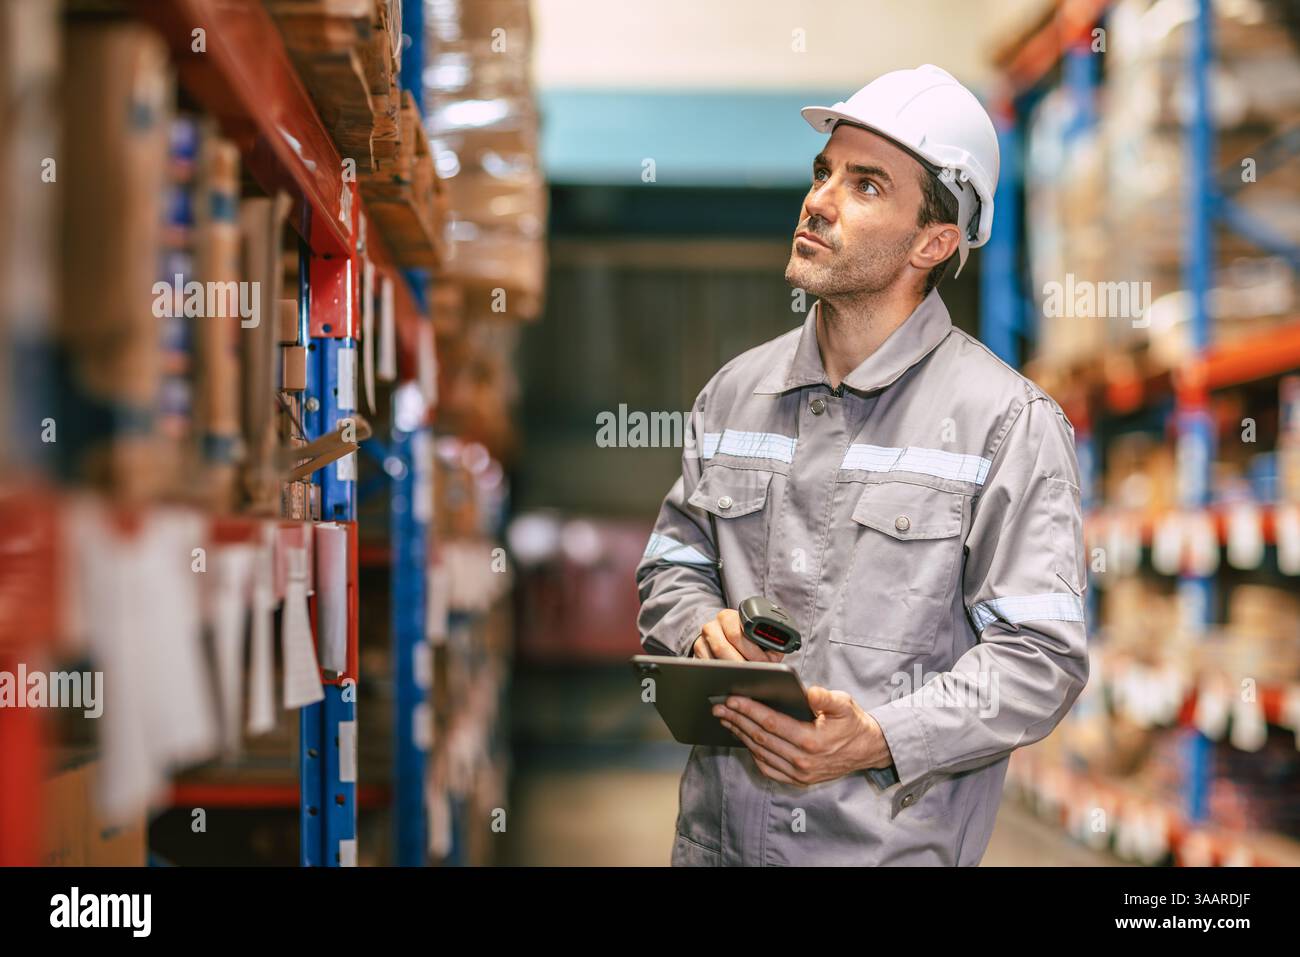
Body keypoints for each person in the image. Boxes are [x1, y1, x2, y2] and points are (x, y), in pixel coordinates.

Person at [635, 65, 1089, 866]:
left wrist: (882, 736)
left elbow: (1039, 659)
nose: (818, 200)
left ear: (933, 242)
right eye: (824, 172)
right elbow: (672, 563)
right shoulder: (734, 394)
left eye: (867, 184)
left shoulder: (1006, 425)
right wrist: (696, 625)